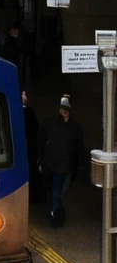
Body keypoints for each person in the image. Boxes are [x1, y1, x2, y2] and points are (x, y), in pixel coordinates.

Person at [38, 95, 87, 226]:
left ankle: (56, 211)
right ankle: (55, 214)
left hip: (57, 164)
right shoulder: (73, 126)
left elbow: (42, 141)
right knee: (58, 190)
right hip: (61, 165)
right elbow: (79, 146)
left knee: (57, 190)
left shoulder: (52, 123)